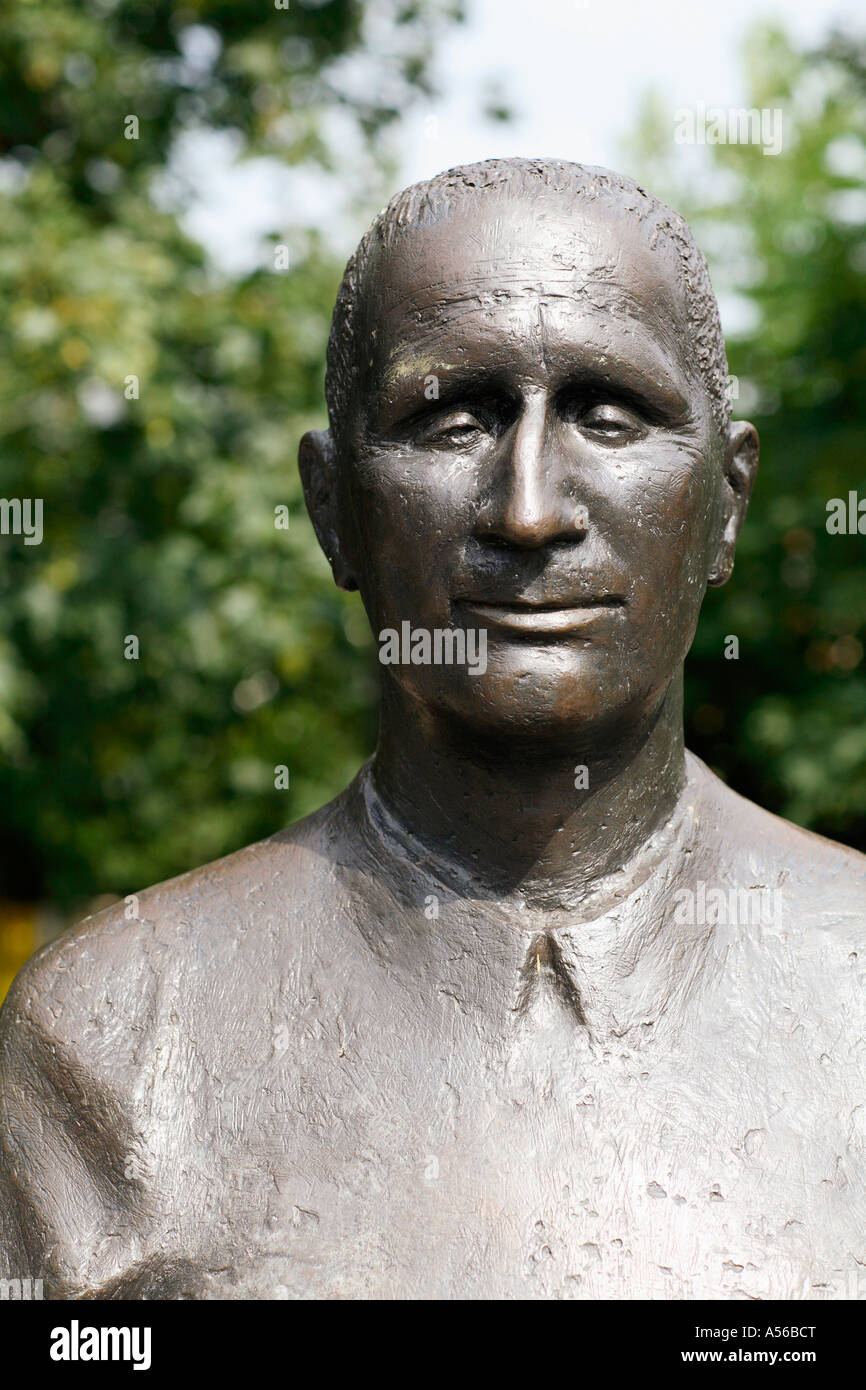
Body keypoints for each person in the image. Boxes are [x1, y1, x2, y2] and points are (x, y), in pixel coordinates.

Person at [1, 159, 864, 1300]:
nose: (528, 510)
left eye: (611, 415)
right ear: (332, 510)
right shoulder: (110, 1039)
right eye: (449, 419)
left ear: (726, 502)